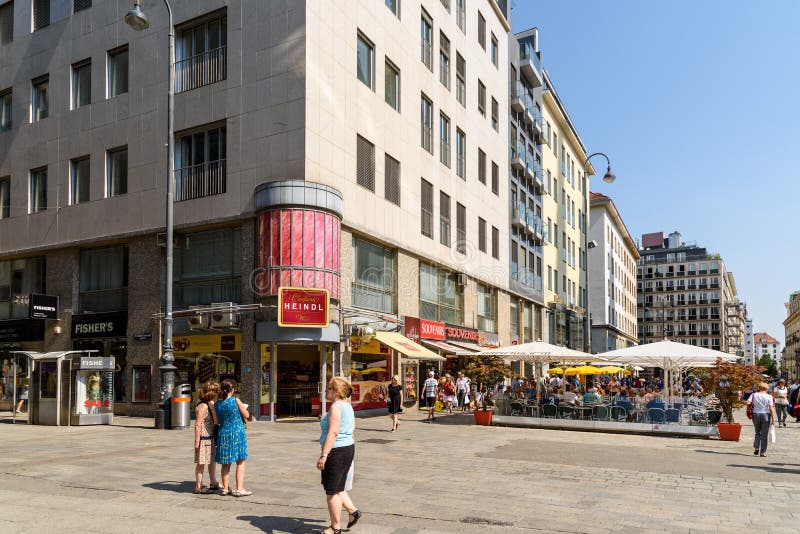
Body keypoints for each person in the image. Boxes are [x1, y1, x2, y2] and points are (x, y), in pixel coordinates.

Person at [317, 377, 360, 534]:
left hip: (336, 451)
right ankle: (353, 511)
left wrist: (324, 454)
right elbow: (352, 429)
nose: (325, 390)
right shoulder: (348, 406)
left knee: (332, 491)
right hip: (347, 448)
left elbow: (334, 432)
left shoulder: (336, 407)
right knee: (337, 486)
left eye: (328, 388)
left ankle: (335, 527)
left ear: (336, 391)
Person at [214, 379, 251, 497]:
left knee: (226, 462)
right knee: (241, 460)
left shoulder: (217, 403)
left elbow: (217, 421)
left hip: (223, 433)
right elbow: (247, 415)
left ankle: (225, 488)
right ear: (233, 390)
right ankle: (239, 489)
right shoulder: (236, 400)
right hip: (237, 433)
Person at [194, 381, 220, 494]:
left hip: (210, 437)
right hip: (204, 439)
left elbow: (215, 421)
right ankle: (198, 486)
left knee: (211, 461)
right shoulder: (204, 406)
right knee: (201, 463)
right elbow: (198, 424)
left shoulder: (202, 404)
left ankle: (213, 482)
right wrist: (197, 441)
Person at [747, 382, 777, 457]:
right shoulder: (769, 396)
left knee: (757, 432)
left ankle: (756, 447)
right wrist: (773, 419)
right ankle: (763, 452)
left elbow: (748, 403)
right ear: (767, 388)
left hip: (756, 414)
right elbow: (771, 408)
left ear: (759, 388)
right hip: (766, 415)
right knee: (764, 434)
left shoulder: (754, 395)